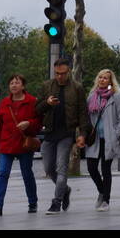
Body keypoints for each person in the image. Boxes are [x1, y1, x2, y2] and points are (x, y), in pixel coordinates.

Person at [35, 57, 92, 215]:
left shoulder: (77, 88)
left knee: (62, 168)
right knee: (49, 169)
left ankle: (56, 202)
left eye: (63, 73)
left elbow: (82, 113)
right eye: (57, 73)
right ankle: (65, 190)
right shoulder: (46, 86)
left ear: (69, 72)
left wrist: (82, 134)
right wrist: (47, 103)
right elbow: (37, 109)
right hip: (49, 133)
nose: (60, 76)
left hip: (67, 133)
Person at [0, 73, 39, 216]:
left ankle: (33, 202)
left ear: (23, 86)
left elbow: (39, 122)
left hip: (24, 145)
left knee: (27, 174)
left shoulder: (32, 101)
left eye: (17, 83)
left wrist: (29, 123)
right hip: (6, 144)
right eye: (11, 83)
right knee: (2, 174)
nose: (14, 85)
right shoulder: (5, 103)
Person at [83, 68, 120, 211]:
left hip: (109, 138)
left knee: (105, 169)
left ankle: (106, 200)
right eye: (100, 77)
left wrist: (116, 134)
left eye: (105, 78)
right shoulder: (92, 96)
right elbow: (87, 118)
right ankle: (102, 191)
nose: (102, 80)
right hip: (94, 139)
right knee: (91, 168)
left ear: (110, 81)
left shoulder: (116, 96)